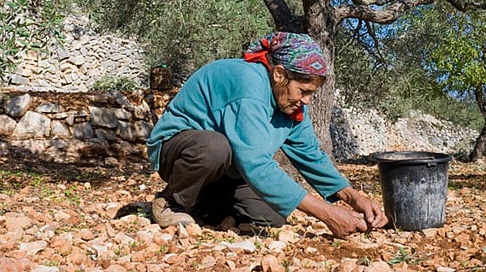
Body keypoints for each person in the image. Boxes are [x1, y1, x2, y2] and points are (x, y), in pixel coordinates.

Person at [146, 31, 388, 238]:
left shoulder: (290, 105)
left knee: (271, 217)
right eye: (303, 91)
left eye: (311, 93)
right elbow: (255, 163)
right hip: (179, 151)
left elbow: (312, 156)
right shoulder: (249, 85)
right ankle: (171, 201)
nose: (307, 100)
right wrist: (326, 213)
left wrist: (355, 199)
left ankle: (200, 204)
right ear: (280, 74)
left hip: (228, 169)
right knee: (214, 147)